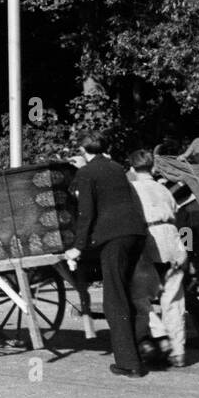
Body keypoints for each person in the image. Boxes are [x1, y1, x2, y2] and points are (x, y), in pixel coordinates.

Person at [64, 132, 149, 377]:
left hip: (113, 239)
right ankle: (139, 349)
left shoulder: (87, 173)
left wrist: (78, 247)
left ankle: (129, 363)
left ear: (82, 150)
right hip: (136, 234)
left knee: (115, 299)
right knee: (129, 294)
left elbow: (86, 214)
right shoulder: (116, 167)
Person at [126, 149, 188, 368]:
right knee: (173, 300)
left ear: (132, 169)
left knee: (140, 297)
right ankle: (178, 352)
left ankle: (160, 336)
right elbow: (178, 215)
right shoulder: (164, 190)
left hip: (151, 242)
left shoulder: (131, 190)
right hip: (173, 241)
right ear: (152, 168)